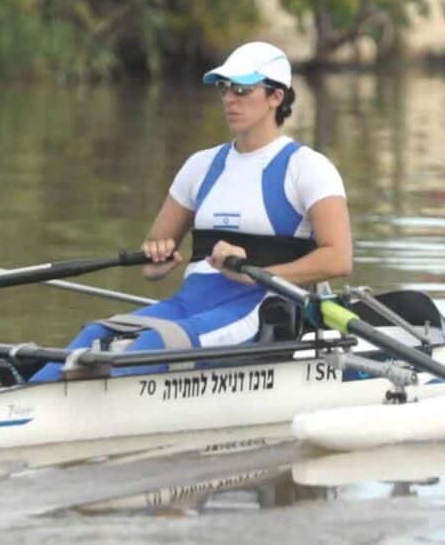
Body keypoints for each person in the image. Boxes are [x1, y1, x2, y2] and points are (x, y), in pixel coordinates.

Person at [30, 41, 352, 381]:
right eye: (225, 88)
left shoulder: (308, 168)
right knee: (94, 337)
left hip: (254, 310)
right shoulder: (200, 165)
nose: (229, 98)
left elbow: (338, 259)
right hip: (189, 303)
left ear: (276, 97)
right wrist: (157, 257)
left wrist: (253, 271)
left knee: (148, 347)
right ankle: (17, 402)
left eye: (243, 89)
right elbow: (154, 259)